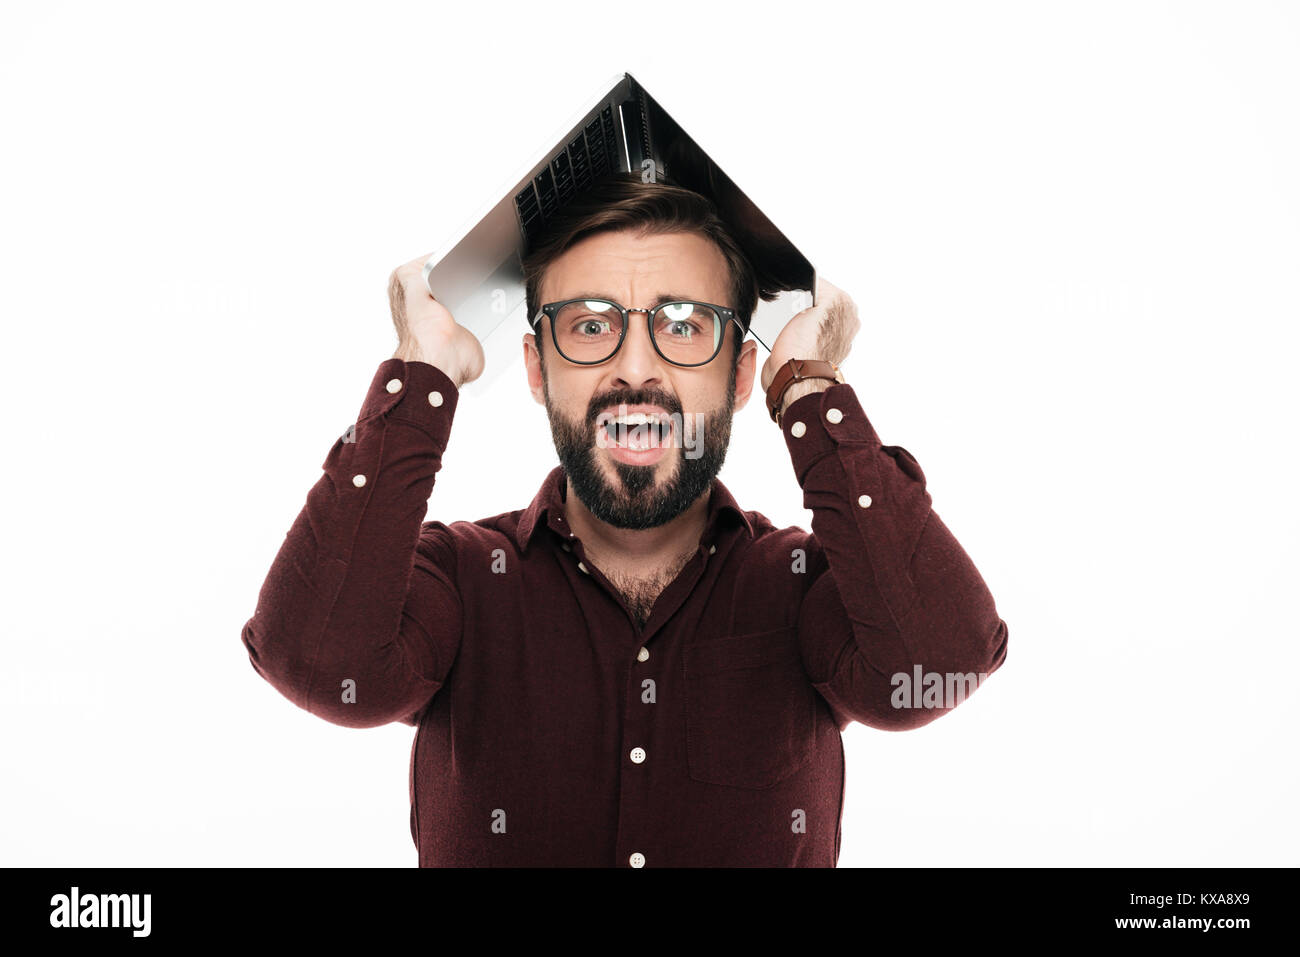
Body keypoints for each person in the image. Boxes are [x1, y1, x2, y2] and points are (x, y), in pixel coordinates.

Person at [241, 173, 1008, 867]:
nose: (636, 369)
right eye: (588, 325)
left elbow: (939, 663)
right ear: (537, 369)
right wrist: (423, 371)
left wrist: (810, 388)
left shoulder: (804, 586)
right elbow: (315, 662)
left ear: (742, 374)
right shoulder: (463, 580)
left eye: (683, 326)